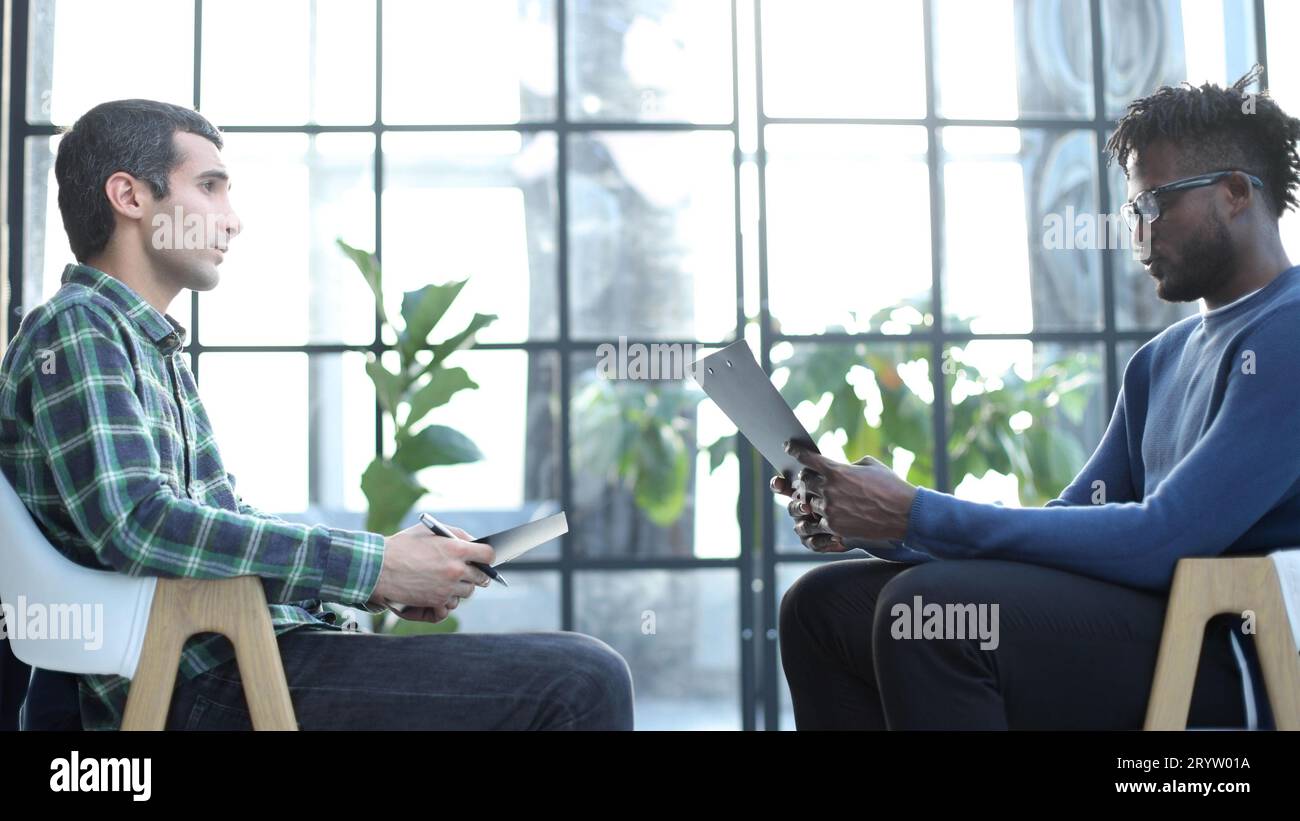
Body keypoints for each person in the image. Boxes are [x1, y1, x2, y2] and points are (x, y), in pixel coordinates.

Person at [0, 99, 633, 731]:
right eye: (211, 188)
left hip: (236, 659)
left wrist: (378, 579)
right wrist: (376, 563)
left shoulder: (146, 344)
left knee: (575, 673)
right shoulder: (77, 329)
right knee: (581, 679)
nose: (233, 221)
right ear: (129, 197)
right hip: (194, 679)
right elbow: (140, 527)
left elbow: (215, 525)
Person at [773, 66, 1298, 730]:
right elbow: (1069, 522)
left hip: (1230, 653)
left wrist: (916, 512)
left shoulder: (1290, 332)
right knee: (821, 607)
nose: (1139, 230)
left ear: (1233, 193)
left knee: (928, 615)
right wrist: (891, 529)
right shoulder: (1159, 362)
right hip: (1145, 628)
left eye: (1156, 202)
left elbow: (1167, 536)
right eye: (1132, 209)